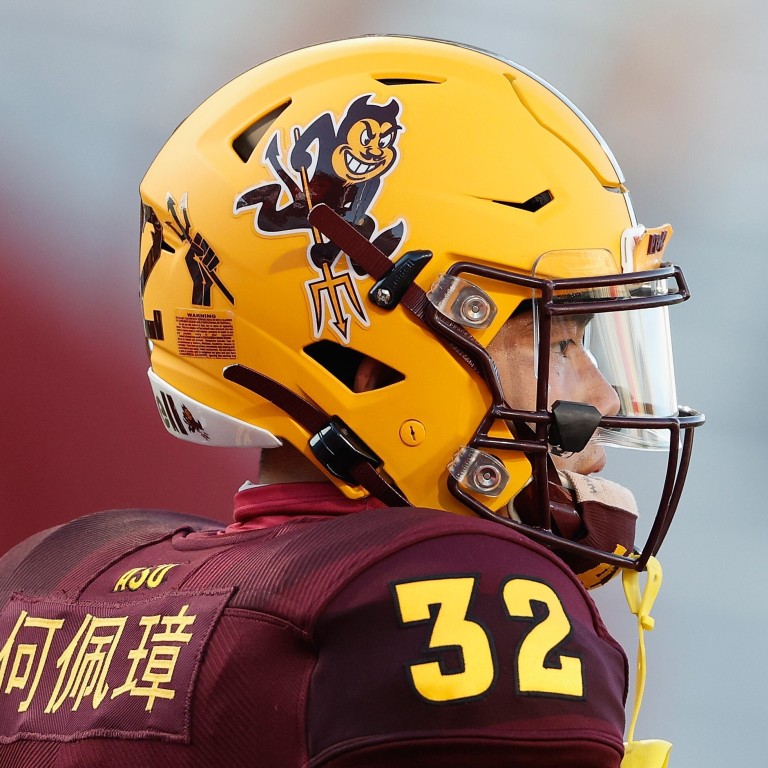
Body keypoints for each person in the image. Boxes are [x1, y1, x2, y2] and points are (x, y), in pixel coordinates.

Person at [0, 36, 703, 767]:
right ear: (367, 361)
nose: (601, 397)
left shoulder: (54, 585)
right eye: (555, 344)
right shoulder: (466, 603)